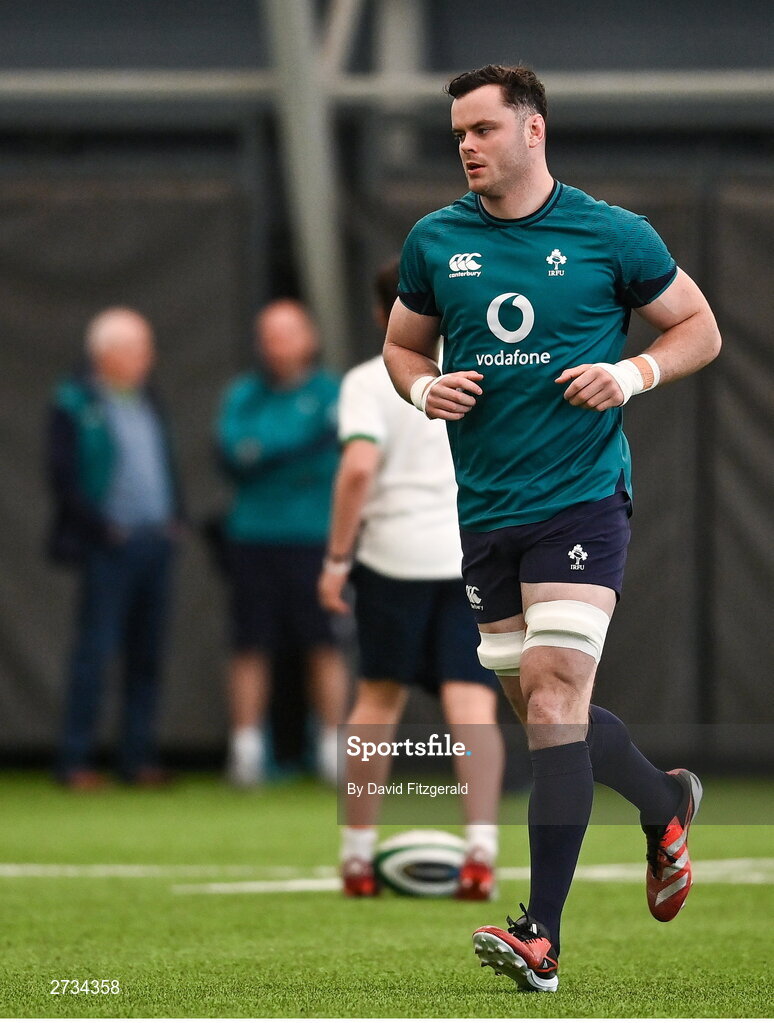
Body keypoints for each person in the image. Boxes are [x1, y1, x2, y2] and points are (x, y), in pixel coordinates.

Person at [383, 64, 721, 991]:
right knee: (542, 710)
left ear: (534, 131)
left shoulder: (614, 234)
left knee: (556, 693)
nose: (467, 145)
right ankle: (664, 802)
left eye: (484, 128)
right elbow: (402, 345)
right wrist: (422, 387)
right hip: (486, 509)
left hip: (582, 498)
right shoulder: (435, 239)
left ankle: (541, 935)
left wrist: (632, 374)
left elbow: (698, 328)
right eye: (459, 132)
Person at [319, 259, 505, 900]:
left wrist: (336, 561)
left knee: (376, 702)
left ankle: (356, 859)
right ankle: (481, 856)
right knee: (471, 704)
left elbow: (357, 469)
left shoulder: (368, 380)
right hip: (469, 556)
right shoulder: (481, 369)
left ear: (384, 314)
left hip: (390, 560)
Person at [47, 307, 183, 789]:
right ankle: (75, 760)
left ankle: (137, 757)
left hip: (155, 543)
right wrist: (103, 529)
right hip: (109, 548)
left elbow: (161, 464)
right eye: (137, 349)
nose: (147, 358)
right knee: (95, 653)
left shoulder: (148, 399)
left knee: (147, 657)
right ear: (105, 353)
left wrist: (175, 520)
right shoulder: (75, 402)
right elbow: (63, 477)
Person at [216, 299, 348, 786]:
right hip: (253, 539)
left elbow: (337, 459)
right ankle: (247, 751)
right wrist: (301, 446)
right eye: (268, 336)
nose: (276, 345)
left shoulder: (333, 393)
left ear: (310, 338)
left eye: (286, 334)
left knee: (323, 644)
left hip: (315, 541)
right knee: (249, 644)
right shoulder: (243, 395)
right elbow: (236, 453)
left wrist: (273, 454)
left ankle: (332, 749)